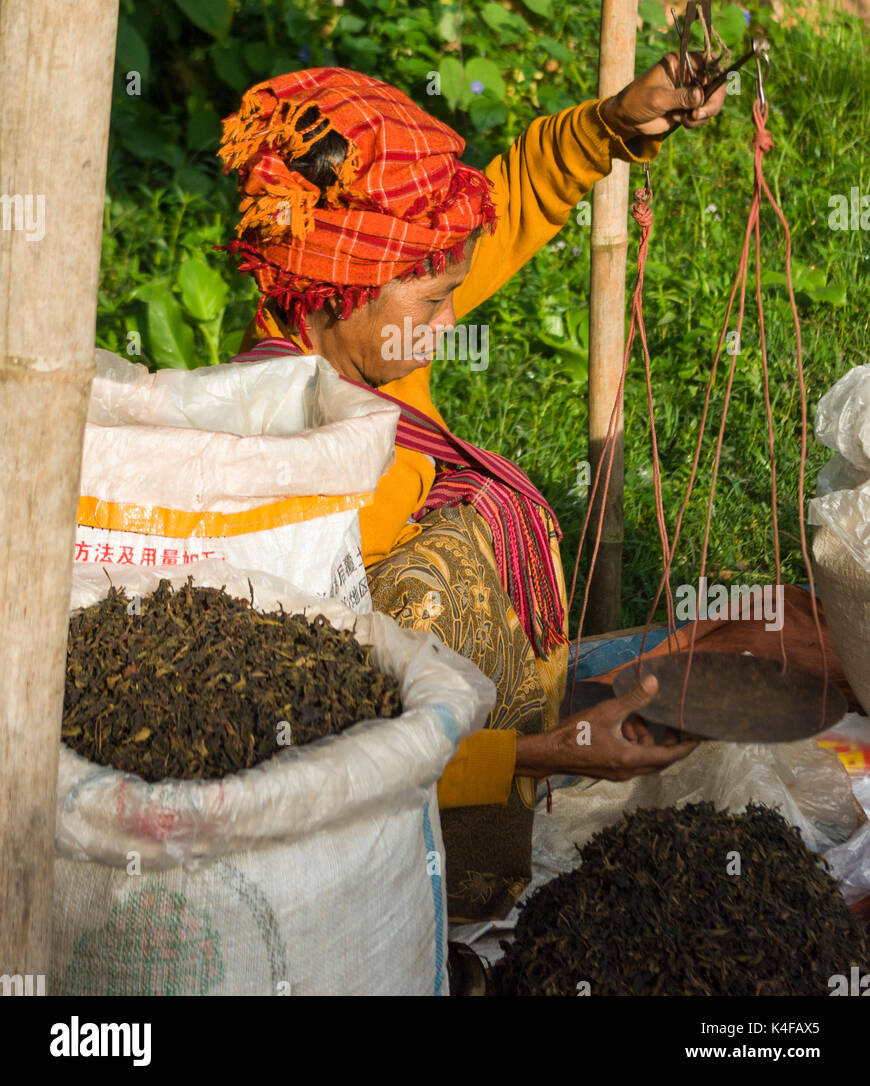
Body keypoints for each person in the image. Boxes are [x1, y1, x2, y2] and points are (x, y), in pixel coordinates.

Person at [221, 57, 723, 919]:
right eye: (435, 302)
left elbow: (513, 192)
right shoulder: (284, 479)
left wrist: (614, 122)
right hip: (389, 827)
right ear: (341, 294)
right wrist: (540, 756)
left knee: (739, 641)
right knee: (437, 577)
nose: (453, 324)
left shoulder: (365, 325)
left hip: (507, 725)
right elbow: (314, 749)